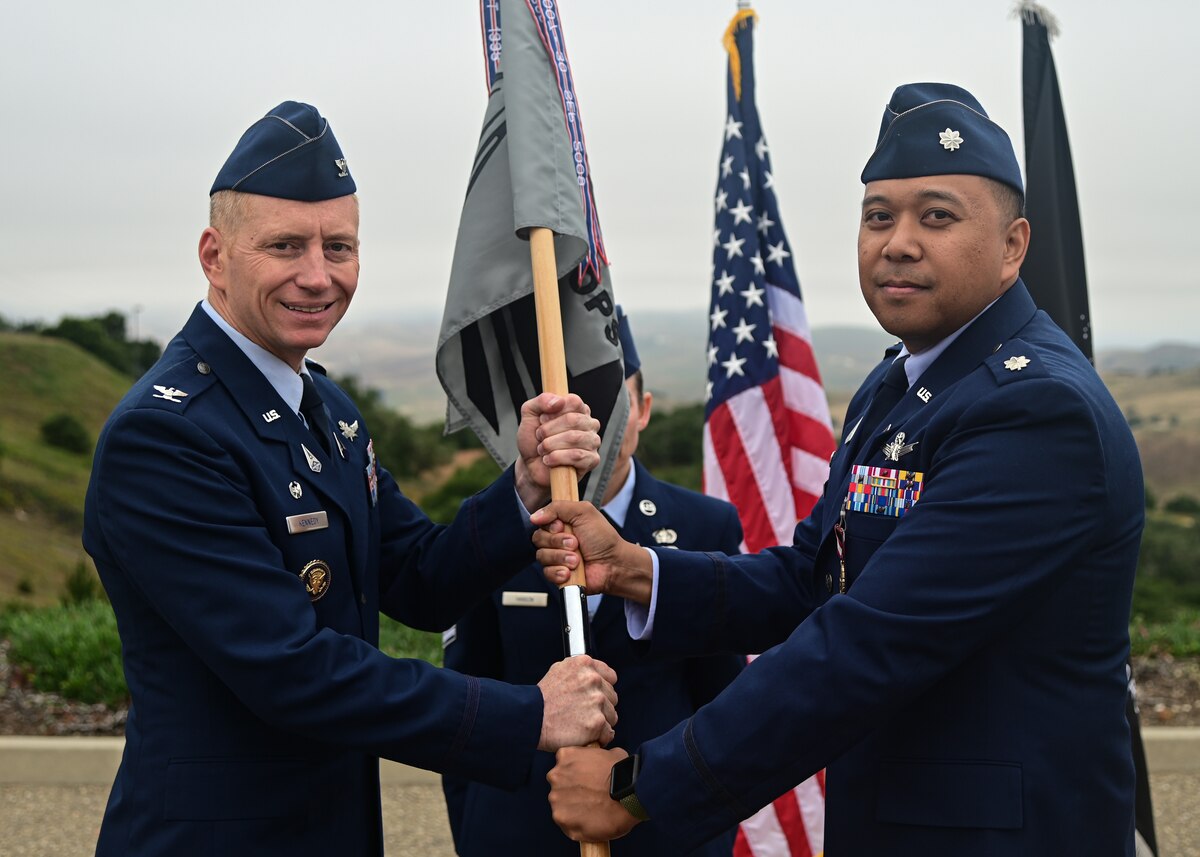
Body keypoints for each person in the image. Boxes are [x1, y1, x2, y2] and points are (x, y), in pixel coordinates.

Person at [533, 82, 1144, 855]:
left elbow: (866, 643)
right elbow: (812, 581)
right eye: (878, 215)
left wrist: (639, 786)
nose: (898, 242)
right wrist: (634, 571)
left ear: (1014, 245)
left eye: (938, 215)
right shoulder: (900, 387)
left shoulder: (1035, 412)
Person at [82, 101, 619, 857]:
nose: (317, 275)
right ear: (214, 254)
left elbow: (417, 579)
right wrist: (528, 715)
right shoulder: (166, 435)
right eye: (285, 246)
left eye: (339, 246)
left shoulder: (323, 405)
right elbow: (293, 669)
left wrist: (525, 486)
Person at [440, 307, 745, 856]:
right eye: (572, 407)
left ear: (644, 410)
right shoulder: (499, 528)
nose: (591, 423)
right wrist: (475, 828)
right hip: (517, 831)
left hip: (663, 833)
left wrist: (708, 832)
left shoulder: (706, 526)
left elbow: (720, 704)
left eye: (611, 401)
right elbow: (470, 692)